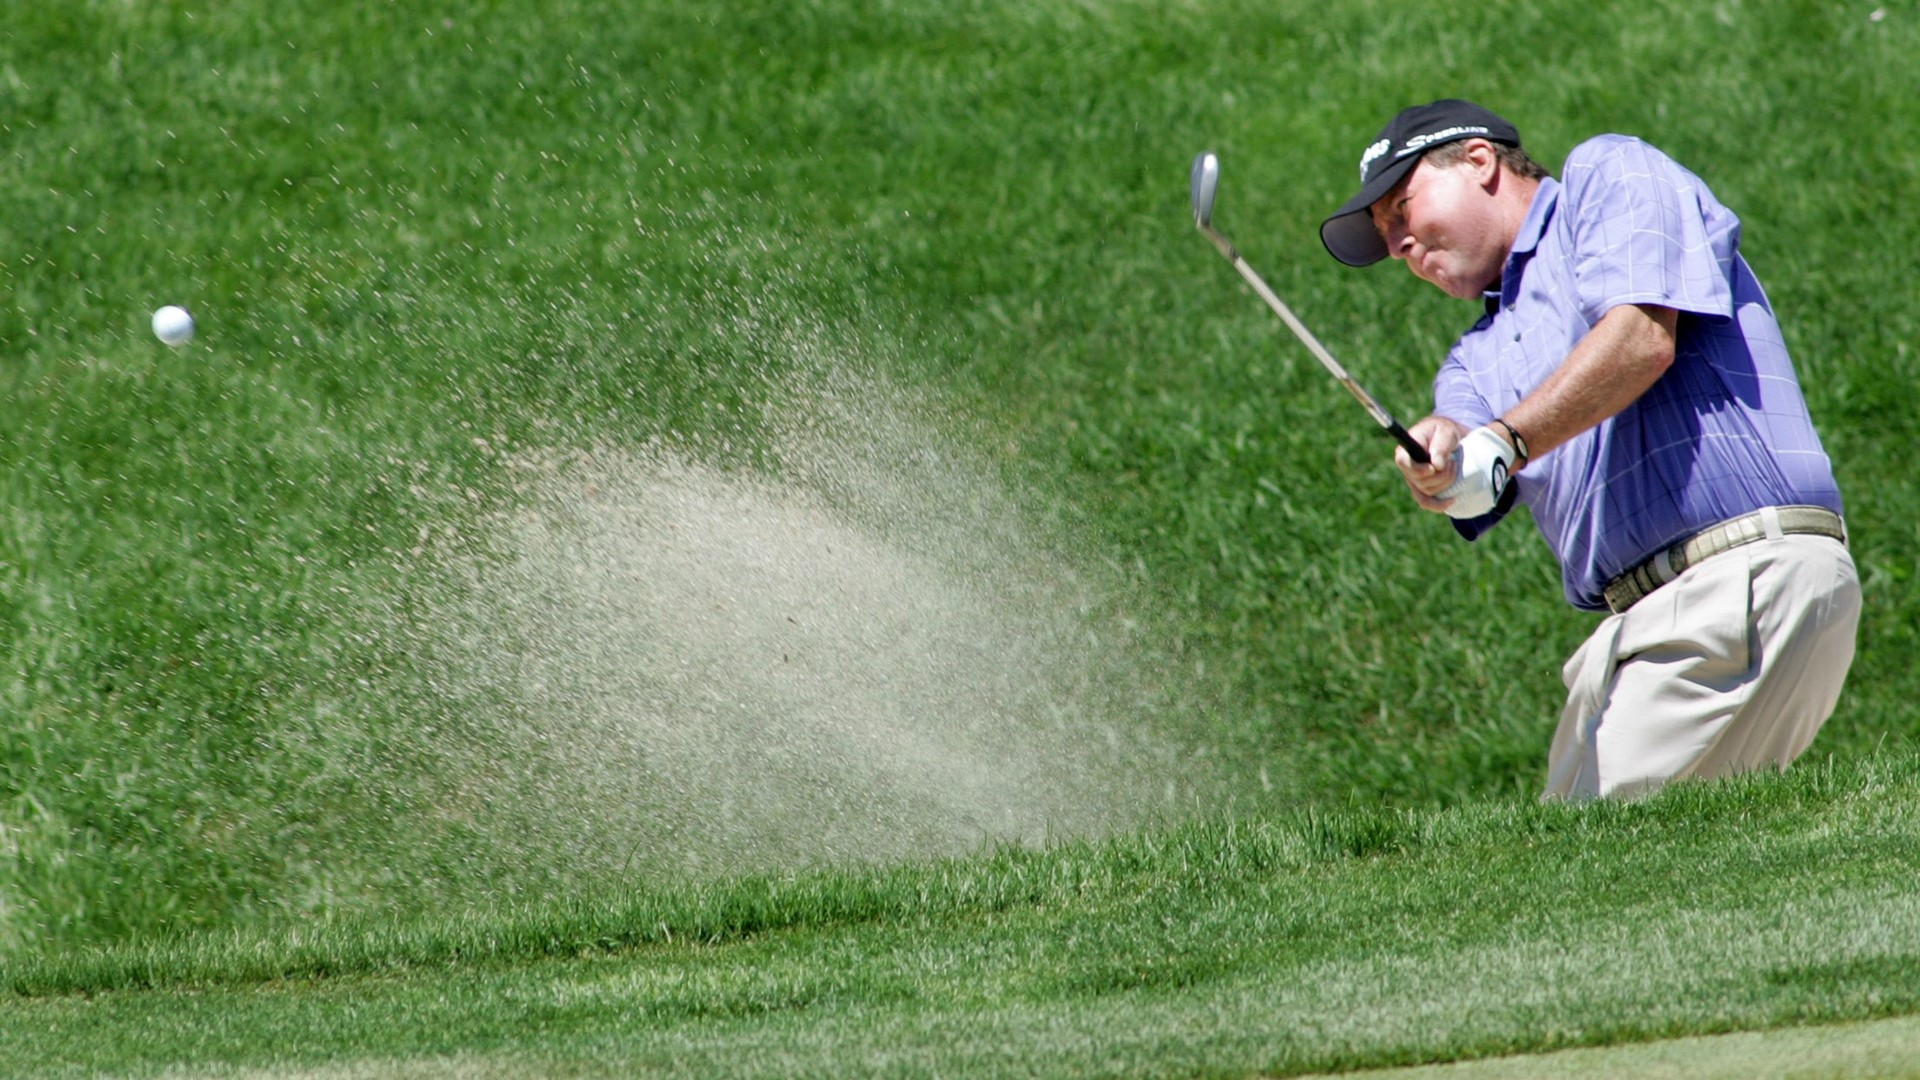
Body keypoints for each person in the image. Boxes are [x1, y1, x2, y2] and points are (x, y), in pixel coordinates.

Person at [1318, 99, 1861, 800]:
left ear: (1479, 161)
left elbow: (1641, 337)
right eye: (1384, 234)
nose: (1395, 244)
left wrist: (1506, 439)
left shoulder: (1606, 174)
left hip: (1741, 577)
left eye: (1401, 208)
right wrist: (1440, 458)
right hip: (1637, 630)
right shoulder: (1472, 361)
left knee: (1595, 853)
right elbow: (1467, 458)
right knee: (1588, 855)